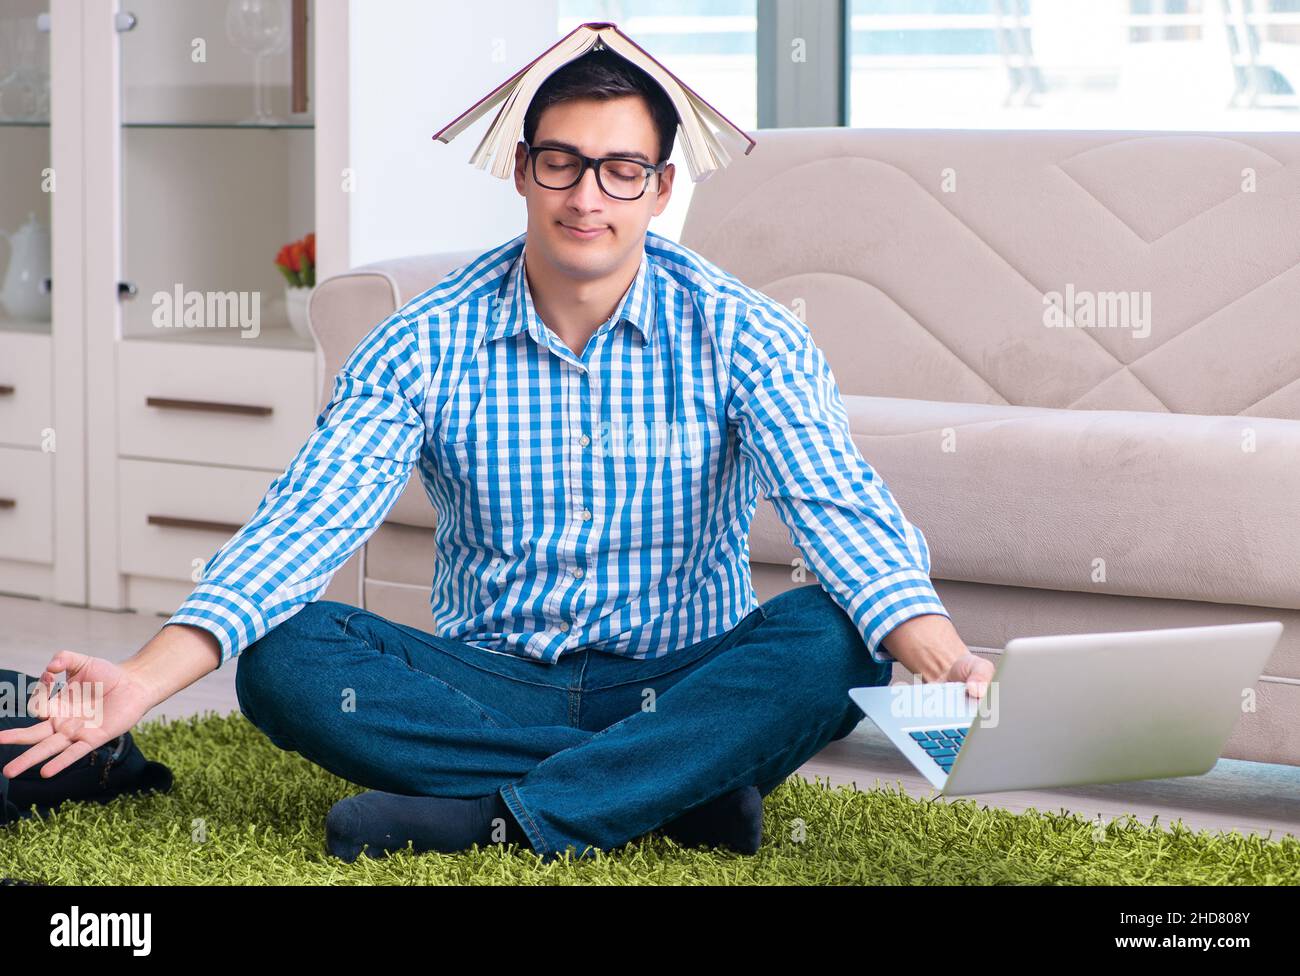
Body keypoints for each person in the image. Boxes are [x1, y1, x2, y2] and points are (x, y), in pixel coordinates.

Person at [0, 49, 994, 865]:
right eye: (560, 163)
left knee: (840, 634)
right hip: (487, 680)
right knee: (283, 657)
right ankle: (673, 792)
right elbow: (305, 524)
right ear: (522, 170)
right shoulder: (423, 338)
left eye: (620, 171)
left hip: (683, 676)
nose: (587, 196)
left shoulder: (746, 333)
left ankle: (510, 816)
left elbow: (841, 510)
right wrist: (142, 676)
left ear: (659, 187)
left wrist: (944, 659)